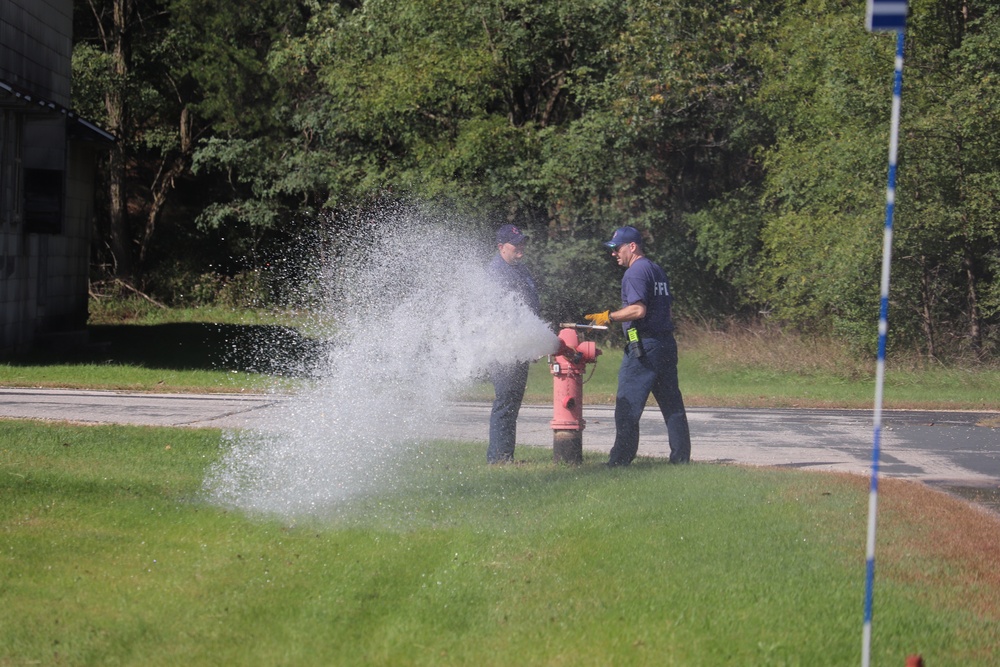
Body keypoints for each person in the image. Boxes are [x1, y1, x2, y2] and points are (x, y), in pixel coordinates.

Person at [585, 226, 691, 466]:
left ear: (632, 246)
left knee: (627, 405)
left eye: (617, 248)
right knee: (672, 405)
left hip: (644, 346)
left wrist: (608, 317)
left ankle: (620, 461)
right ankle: (681, 460)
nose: (613, 253)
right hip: (665, 344)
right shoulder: (656, 270)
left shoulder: (635, 272)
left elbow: (638, 310)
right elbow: (666, 309)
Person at [485, 224, 540, 464]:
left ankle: (505, 455)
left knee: (512, 401)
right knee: (506, 400)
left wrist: (532, 341)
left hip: (520, 346)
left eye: (522, 242)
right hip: (504, 348)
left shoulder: (520, 269)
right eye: (515, 243)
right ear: (501, 247)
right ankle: (499, 458)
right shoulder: (496, 272)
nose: (521, 247)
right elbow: (502, 315)